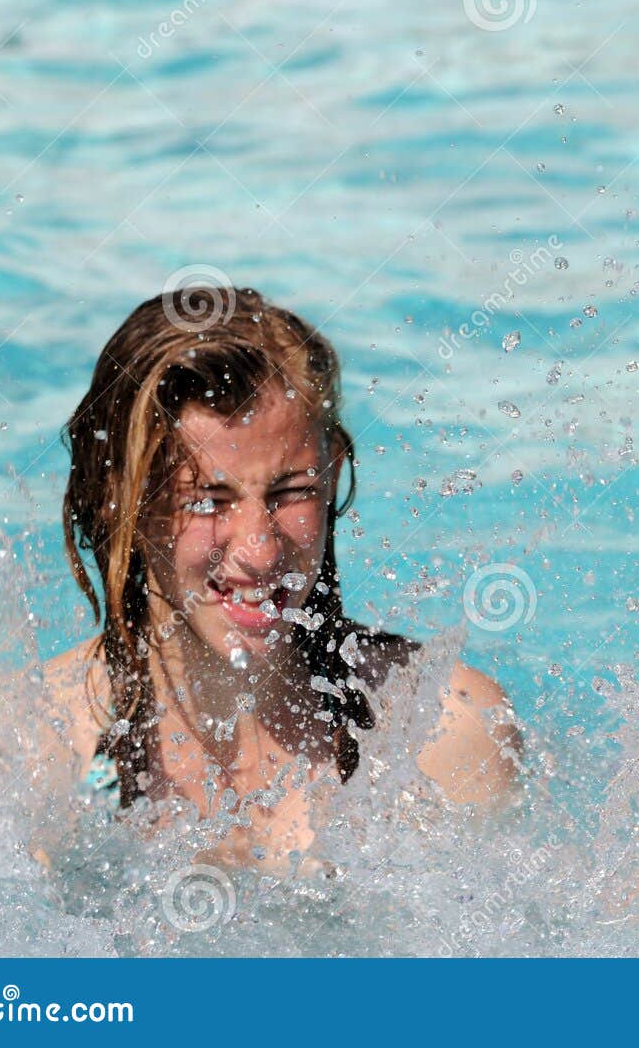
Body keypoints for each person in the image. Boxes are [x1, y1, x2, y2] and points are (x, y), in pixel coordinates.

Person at [36, 287, 519, 870]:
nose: (261, 552)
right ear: (123, 505)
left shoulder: (442, 730)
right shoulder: (41, 747)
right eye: (209, 500)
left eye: (293, 492)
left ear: (334, 471)